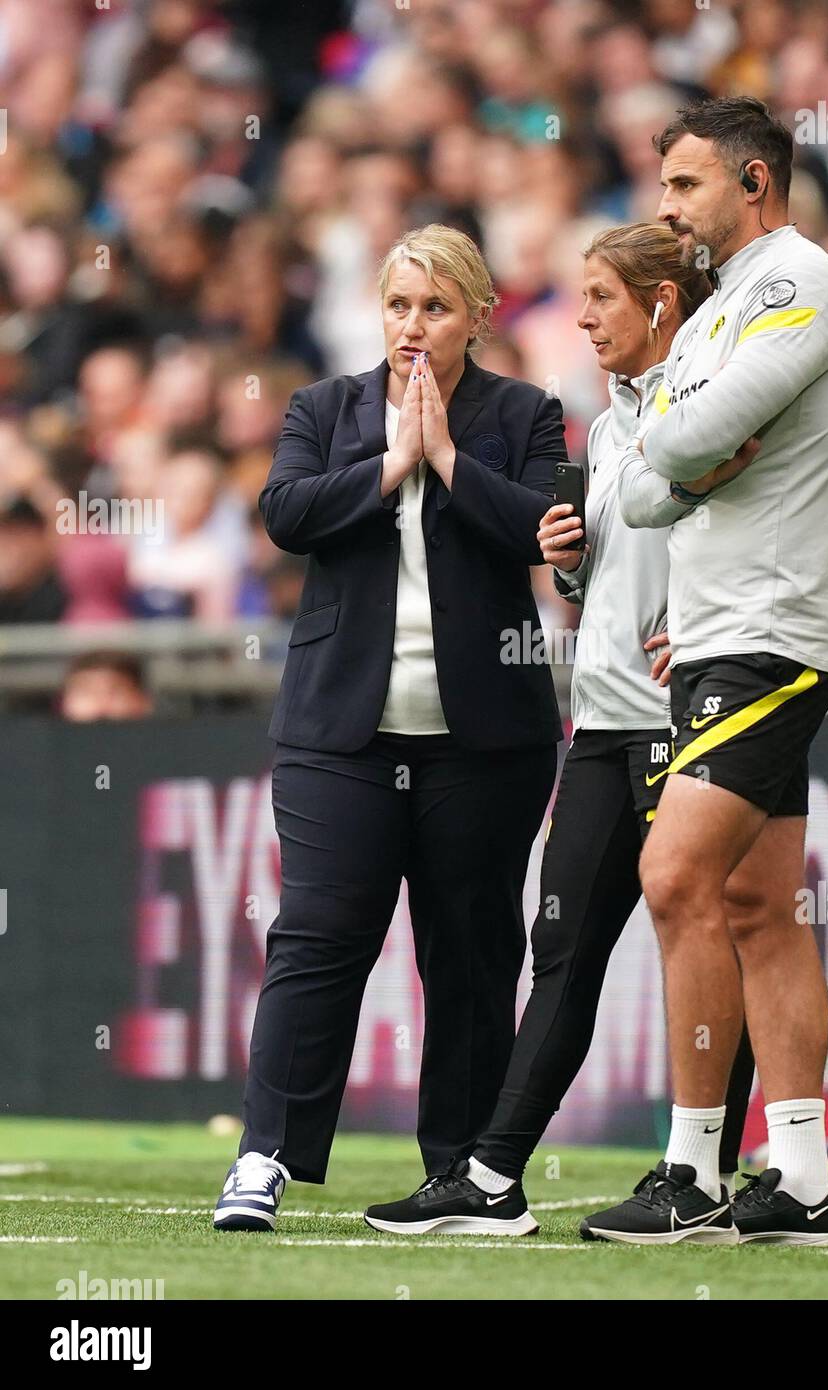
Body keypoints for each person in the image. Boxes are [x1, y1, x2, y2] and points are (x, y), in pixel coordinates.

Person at [363, 223, 759, 1237]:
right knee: (561, 948)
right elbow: (607, 570)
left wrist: (720, 629)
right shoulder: (607, 416)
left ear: (659, 305)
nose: (578, 317)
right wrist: (569, 563)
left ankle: (702, 1167)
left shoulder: (721, 399)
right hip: (602, 718)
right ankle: (491, 1176)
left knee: (700, 936)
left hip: (695, 716)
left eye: (599, 298)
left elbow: (767, 522)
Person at [213, 224, 566, 1232]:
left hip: (485, 741)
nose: (414, 326)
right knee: (317, 938)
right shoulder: (324, 407)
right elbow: (285, 512)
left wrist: (445, 458)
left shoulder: (524, 413)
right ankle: (263, 1155)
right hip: (340, 734)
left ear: (478, 315)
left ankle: (460, 1171)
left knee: (469, 951)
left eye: (436, 307)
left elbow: (537, 530)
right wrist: (386, 465)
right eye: (399, 305)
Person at [582, 96, 828, 1246]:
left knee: (671, 874)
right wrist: (682, 446)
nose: (666, 208)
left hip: (774, 630)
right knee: (754, 901)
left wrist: (682, 446)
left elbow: (681, 446)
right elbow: (645, 481)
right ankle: (801, 1180)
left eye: (686, 185)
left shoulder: (799, 283)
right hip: (709, 633)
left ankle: (691, 1169)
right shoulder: (711, 318)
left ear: (754, 182)